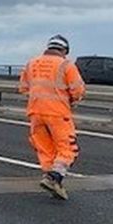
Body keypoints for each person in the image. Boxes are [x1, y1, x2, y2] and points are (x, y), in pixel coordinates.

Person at [19, 34, 86, 200]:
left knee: (45, 148)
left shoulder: (31, 63)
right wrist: (72, 100)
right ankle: (54, 178)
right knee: (67, 148)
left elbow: (23, 88)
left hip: (35, 112)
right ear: (65, 50)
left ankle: (52, 181)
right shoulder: (66, 65)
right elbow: (77, 90)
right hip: (58, 113)